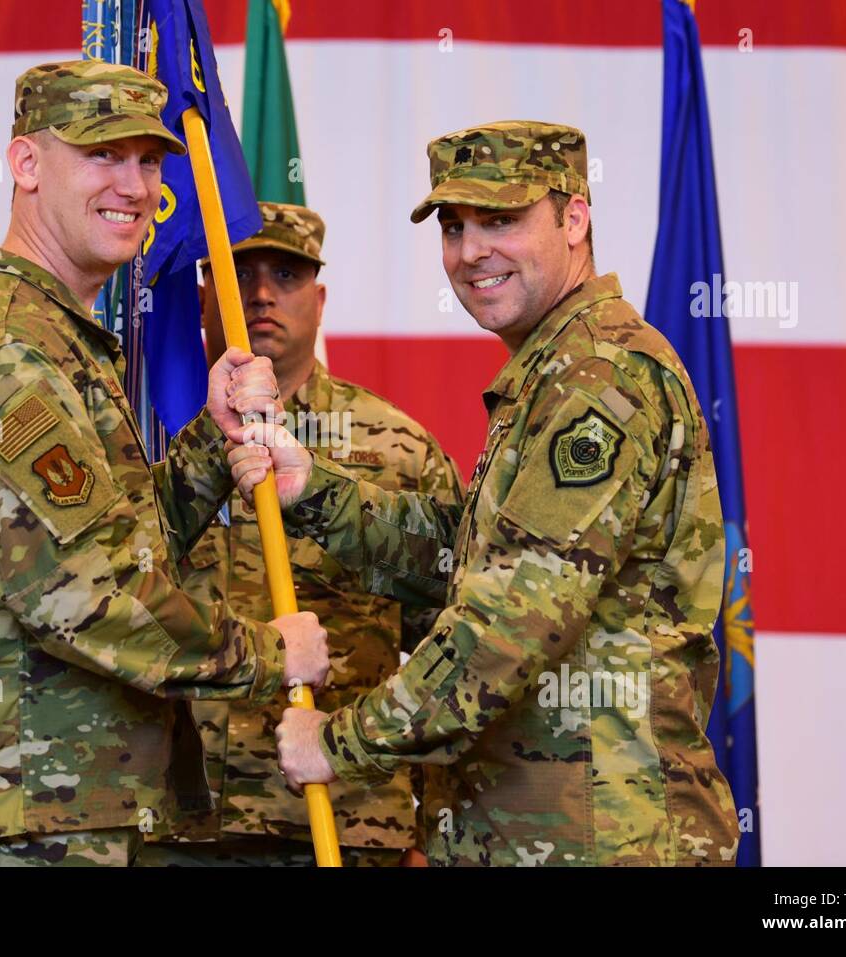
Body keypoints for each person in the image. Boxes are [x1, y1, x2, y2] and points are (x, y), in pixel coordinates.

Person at [0, 60, 328, 868]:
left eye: (149, 161)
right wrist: (268, 652)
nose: (137, 186)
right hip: (9, 811)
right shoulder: (2, 348)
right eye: (103, 156)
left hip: (54, 808)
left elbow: (117, 547)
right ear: (27, 164)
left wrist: (211, 444)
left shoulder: (51, 337)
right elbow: (82, 596)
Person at [232, 121, 740, 866]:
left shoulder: (602, 377)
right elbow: (467, 562)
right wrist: (314, 490)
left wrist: (337, 742)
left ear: (574, 217)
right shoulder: (553, 371)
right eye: (453, 226)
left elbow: (505, 628)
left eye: (501, 218)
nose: (470, 251)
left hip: (605, 841)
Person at [142, 202, 462, 866]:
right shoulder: (153, 434)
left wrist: (431, 826)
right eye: (239, 272)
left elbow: (450, 646)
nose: (260, 294)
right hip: (173, 819)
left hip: (337, 816)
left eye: (285, 275)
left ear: (319, 299)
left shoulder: (397, 448)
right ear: (204, 293)